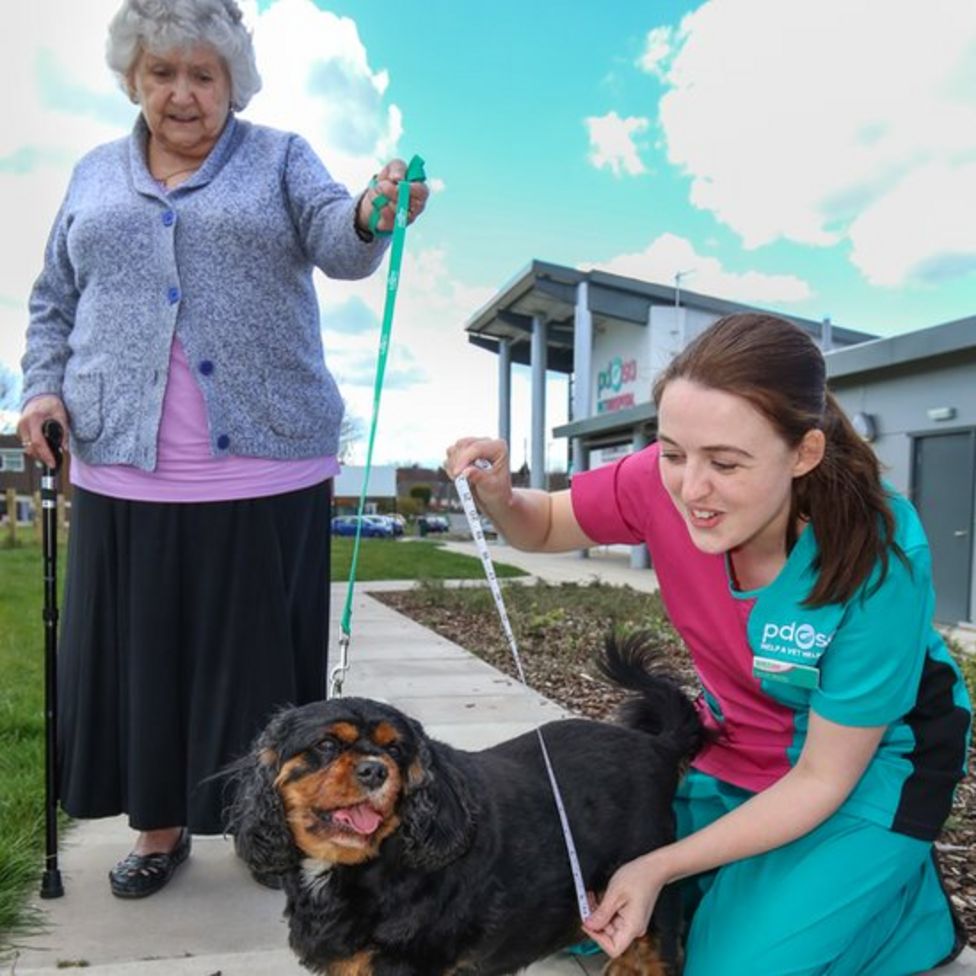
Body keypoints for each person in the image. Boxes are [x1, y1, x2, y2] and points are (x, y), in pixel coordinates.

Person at [17, 0, 427, 899]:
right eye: (162, 73)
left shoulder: (279, 156)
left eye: (203, 74)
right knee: (142, 669)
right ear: (133, 79)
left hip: (266, 465)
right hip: (126, 469)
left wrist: (371, 211)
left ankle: (273, 829)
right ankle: (159, 831)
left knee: (258, 678)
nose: (183, 93)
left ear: (233, 82)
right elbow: (53, 300)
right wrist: (42, 390)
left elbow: (339, 238)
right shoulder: (92, 174)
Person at [445, 313, 971, 975]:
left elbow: (820, 779)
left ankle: (905, 909)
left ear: (803, 453)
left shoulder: (879, 554)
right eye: (672, 453)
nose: (690, 488)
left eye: (725, 463)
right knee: (571, 903)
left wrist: (660, 865)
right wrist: (501, 496)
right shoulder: (661, 480)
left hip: (869, 767)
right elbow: (546, 521)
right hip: (742, 743)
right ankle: (778, 882)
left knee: (727, 965)